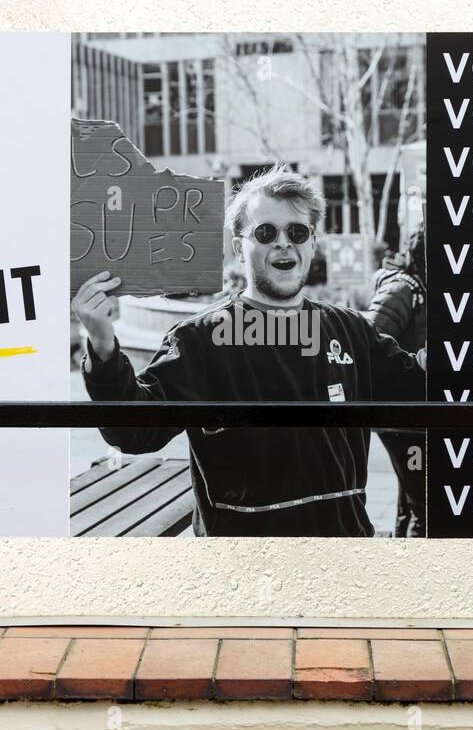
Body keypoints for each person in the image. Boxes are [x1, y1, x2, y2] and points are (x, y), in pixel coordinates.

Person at [72, 165, 425, 537]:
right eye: (266, 232)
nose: (284, 242)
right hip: (244, 569)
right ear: (240, 248)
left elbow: (417, 386)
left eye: (298, 231)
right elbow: (133, 432)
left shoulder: (351, 331)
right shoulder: (200, 340)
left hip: (342, 558)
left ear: (312, 244)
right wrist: (102, 345)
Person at [363, 224, 427, 537]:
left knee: (414, 495)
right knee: (424, 501)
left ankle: (404, 550)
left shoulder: (420, 288)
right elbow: (368, 343)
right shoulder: (403, 290)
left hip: (413, 414)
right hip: (400, 416)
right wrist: (414, 363)